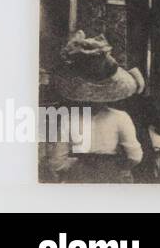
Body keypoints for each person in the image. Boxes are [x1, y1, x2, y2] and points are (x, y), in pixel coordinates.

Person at [43, 32, 145, 183]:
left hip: (79, 178)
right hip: (110, 177)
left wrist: (76, 167)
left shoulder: (69, 120)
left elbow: (56, 161)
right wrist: (119, 168)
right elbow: (135, 156)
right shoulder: (120, 117)